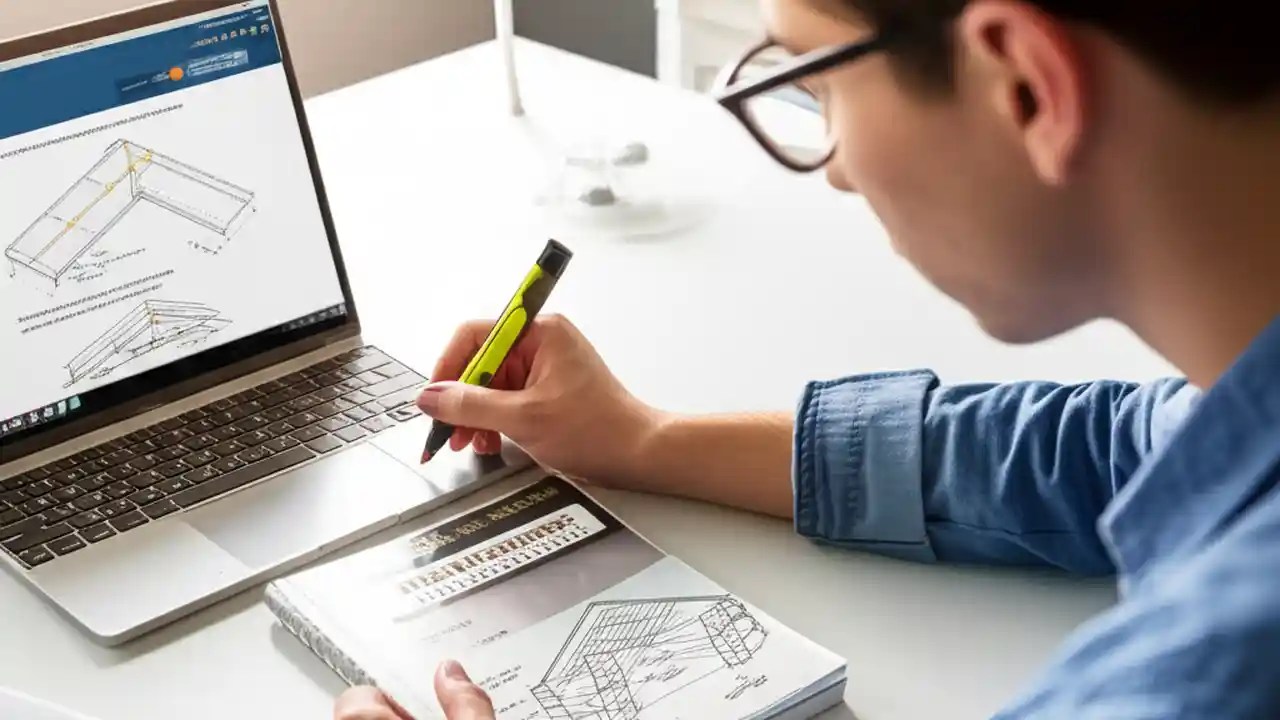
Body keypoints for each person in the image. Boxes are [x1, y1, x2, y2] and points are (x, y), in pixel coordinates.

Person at [336, 0, 1280, 717]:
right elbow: (1110, 451)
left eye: (819, 86)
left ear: (1026, 85)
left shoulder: (1203, 674)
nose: (835, 167)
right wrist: (640, 437)